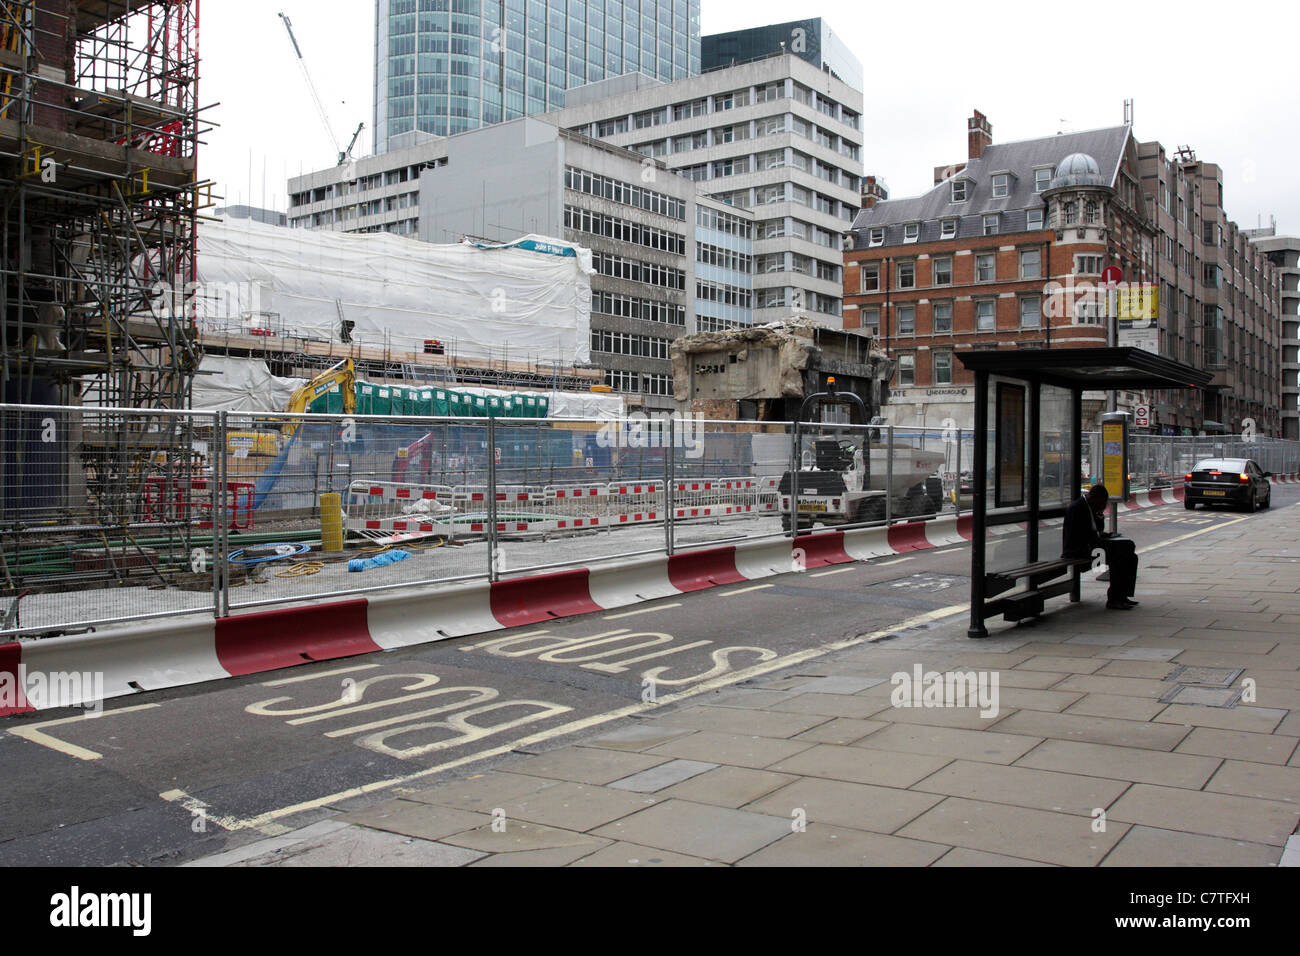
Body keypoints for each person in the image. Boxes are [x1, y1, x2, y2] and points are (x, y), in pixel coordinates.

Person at [1062, 484, 1138, 610]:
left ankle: (1123, 595)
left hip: (1092, 546)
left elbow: (1098, 529)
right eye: (1101, 502)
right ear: (1093, 497)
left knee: (1130, 554)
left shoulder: (1091, 507)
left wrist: (1100, 515)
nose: (1102, 505)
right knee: (1119, 555)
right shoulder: (1077, 508)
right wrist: (1097, 534)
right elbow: (1077, 536)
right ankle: (1114, 598)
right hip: (1079, 550)